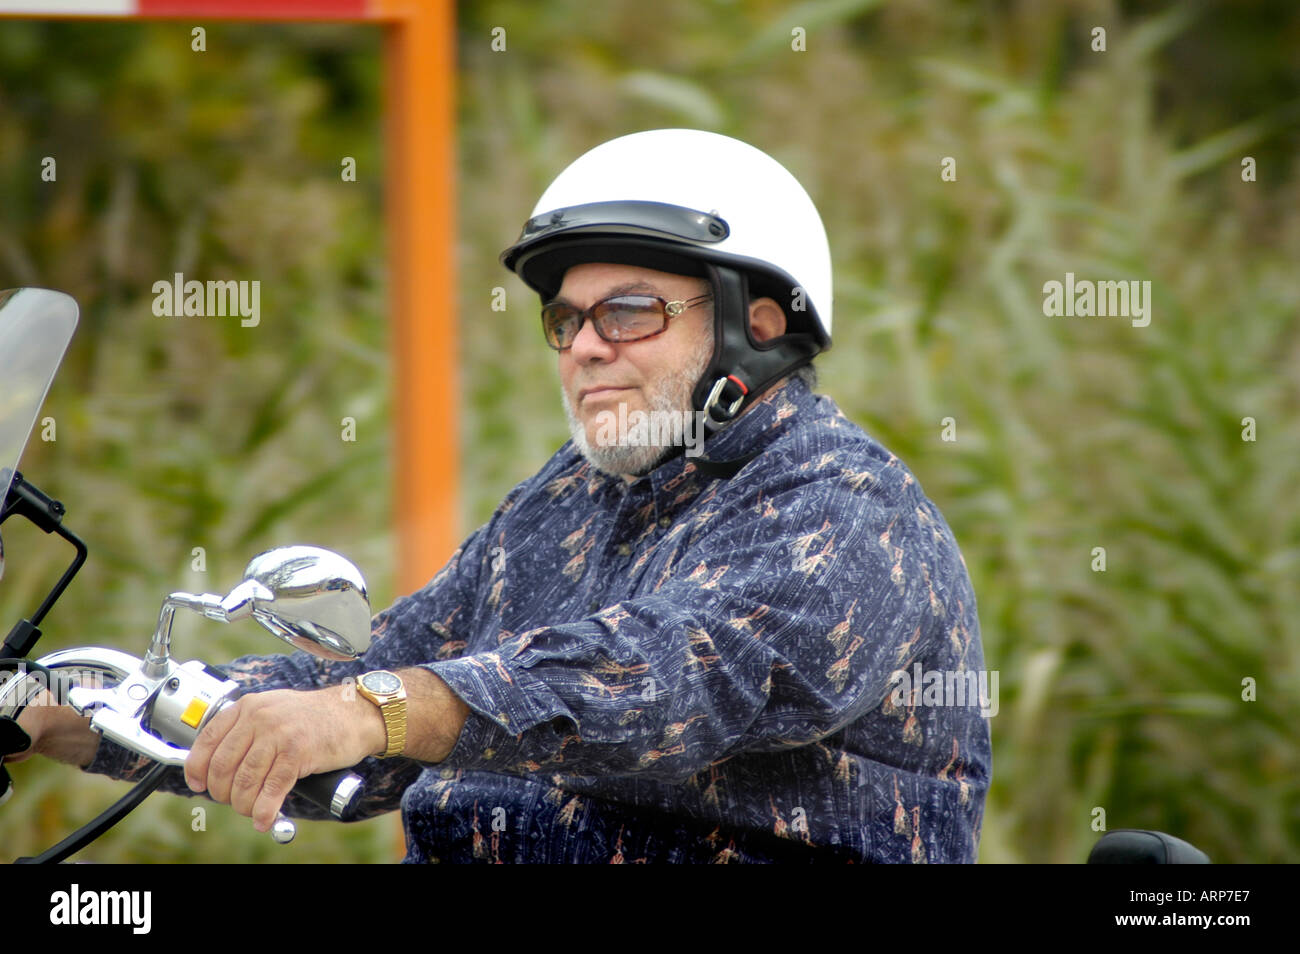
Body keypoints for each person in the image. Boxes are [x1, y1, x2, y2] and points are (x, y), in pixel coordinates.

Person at [14, 129, 991, 863]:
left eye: (630, 311)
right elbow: (379, 689)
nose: (585, 346)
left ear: (757, 322)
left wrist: (376, 709)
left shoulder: (841, 500)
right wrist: (66, 712)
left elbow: (670, 681)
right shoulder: (565, 504)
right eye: (565, 321)